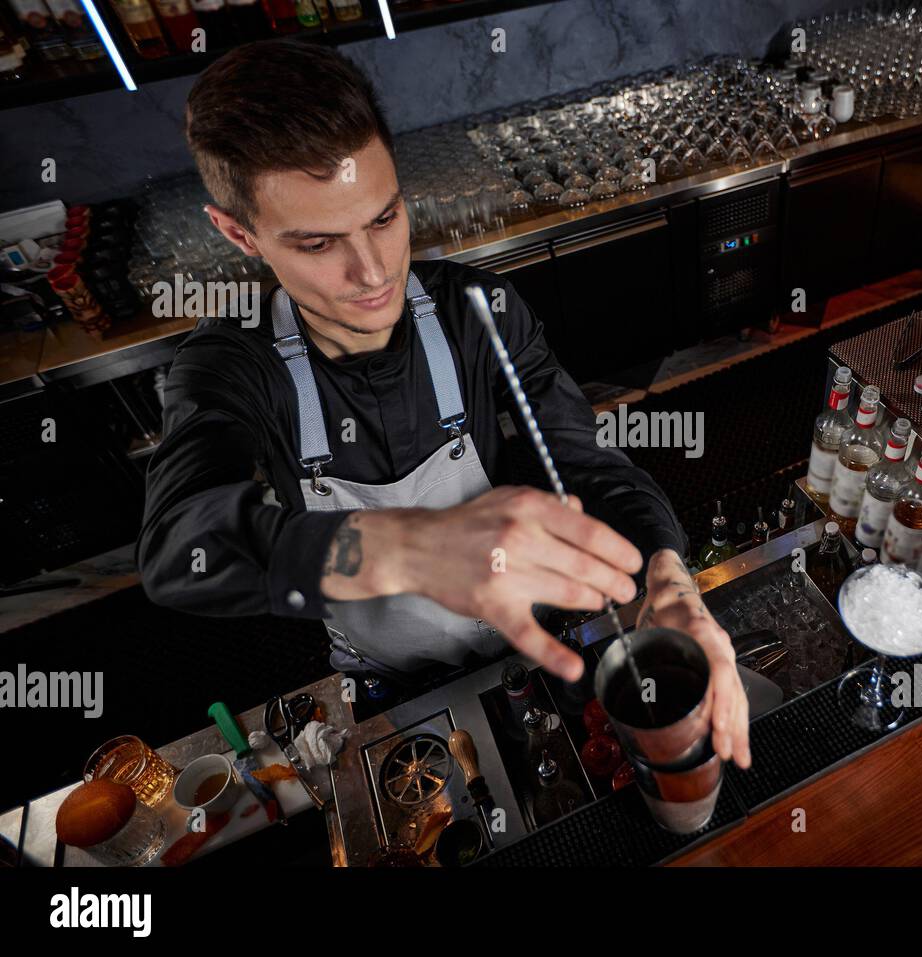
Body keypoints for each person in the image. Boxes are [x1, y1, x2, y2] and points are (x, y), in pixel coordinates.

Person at [137, 40, 750, 767]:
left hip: (537, 632)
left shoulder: (476, 309)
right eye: (318, 243)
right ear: (239, 234)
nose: (372, 271)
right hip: (390, 678)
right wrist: (407, 547)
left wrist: (666, 576)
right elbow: (180, 547)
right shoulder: (229, 362)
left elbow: (580, 459)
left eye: (385, 218)